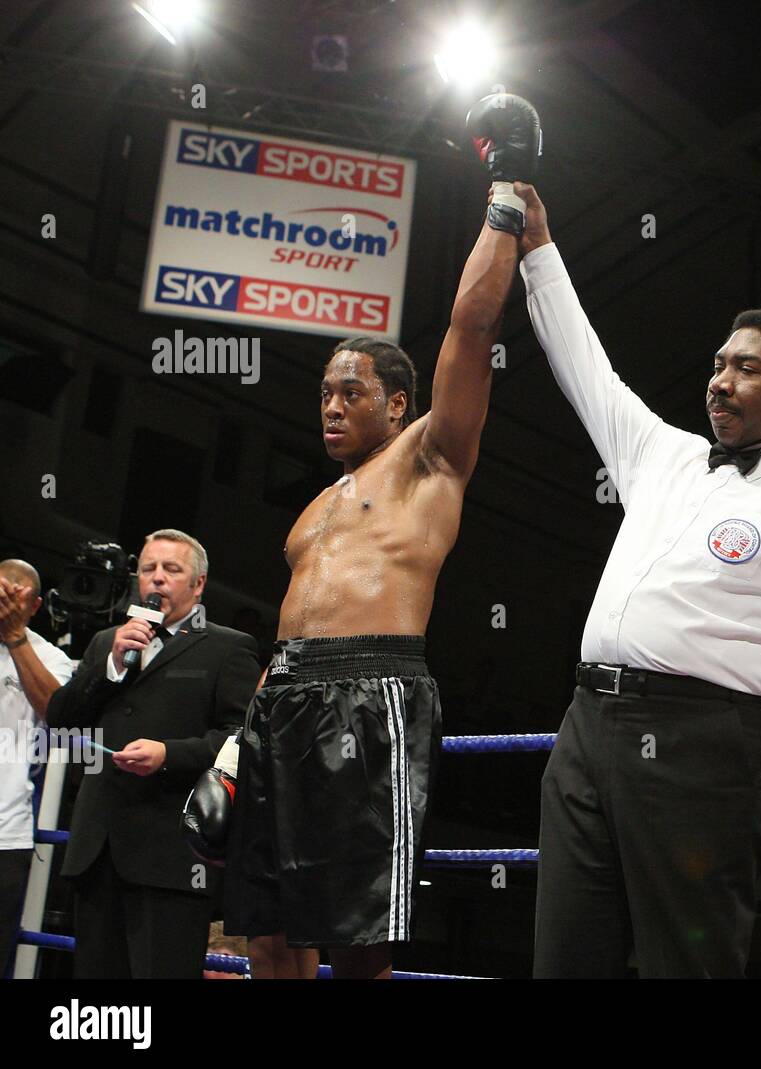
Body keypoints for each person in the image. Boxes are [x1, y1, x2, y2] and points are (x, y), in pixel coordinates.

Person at [514, 184, 761, 978]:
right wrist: (539, 245)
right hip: (586, 727)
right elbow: (582, 363)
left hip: (707, 750)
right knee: (564, 961)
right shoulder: (663, 454)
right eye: (718, 364)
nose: (719, 380)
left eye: (746, 369)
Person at [223, 94, 540, 980]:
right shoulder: (313, 510)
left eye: (350, 392)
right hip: (279, 697)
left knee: (359, 933)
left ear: (397, 403)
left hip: (372, 692)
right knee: (267, 927)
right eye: (324, 391)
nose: (330, 404)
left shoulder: (430, 457)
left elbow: (471, 326)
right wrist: (238, 728)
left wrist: (505, 196)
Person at [44, 531, 260, 978]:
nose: (157, 579)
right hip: (97, 848)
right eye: (148, 569)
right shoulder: (109, 641)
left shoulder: (227, 647)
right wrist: (111, 667)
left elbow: (243, 738)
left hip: (172, 855)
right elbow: (61, 720)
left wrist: (169, 754)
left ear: (198, 584)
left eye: (171, 570)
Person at [0, 559, 76, 972]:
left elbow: (55, 711)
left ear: (34, 605)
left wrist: (14, 639)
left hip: (5, 833)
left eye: (16, 594)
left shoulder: (51, 657)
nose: (5, 600)